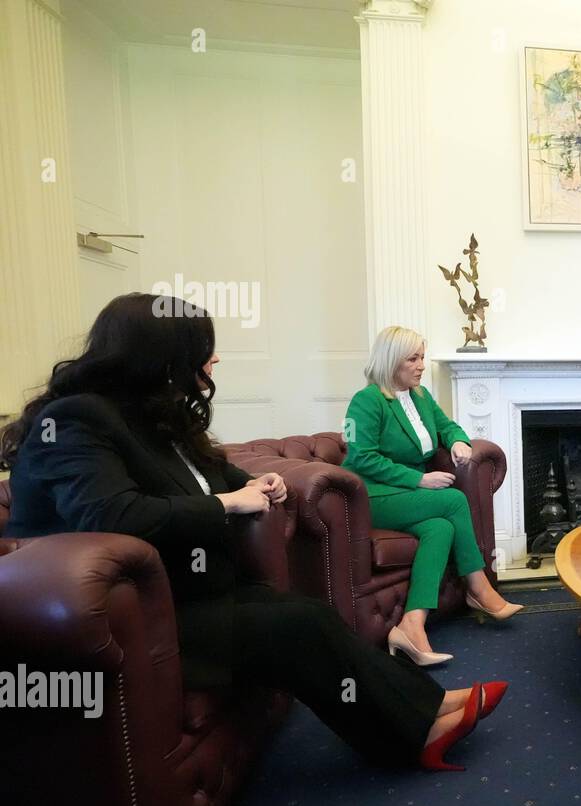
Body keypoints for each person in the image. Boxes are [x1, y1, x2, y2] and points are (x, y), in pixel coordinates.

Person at [0, 293, 505, 772]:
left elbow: (215, 474)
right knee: (298, 628)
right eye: (203, 351)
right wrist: (226, 502)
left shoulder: (151, 418)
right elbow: (115, 516)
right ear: (162, 357)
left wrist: (253, 482)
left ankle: (431, 704)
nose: (214, 360)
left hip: (183, 593)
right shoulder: (75, 422)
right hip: (127, 617)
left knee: (309, 611)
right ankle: (415, 735)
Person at [342, 326, 521, 666]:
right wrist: (419, 479)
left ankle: (412, 623)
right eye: (413, 358)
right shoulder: (367, 401)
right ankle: (478, 587)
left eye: (422, 357)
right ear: (391, 361)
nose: (421, 365)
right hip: (372, 496)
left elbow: (447, 425)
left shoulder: (420, 396)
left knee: (441, 528)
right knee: (453, 500)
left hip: (403, 494)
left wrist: (457, 441)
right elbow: (361, 457)